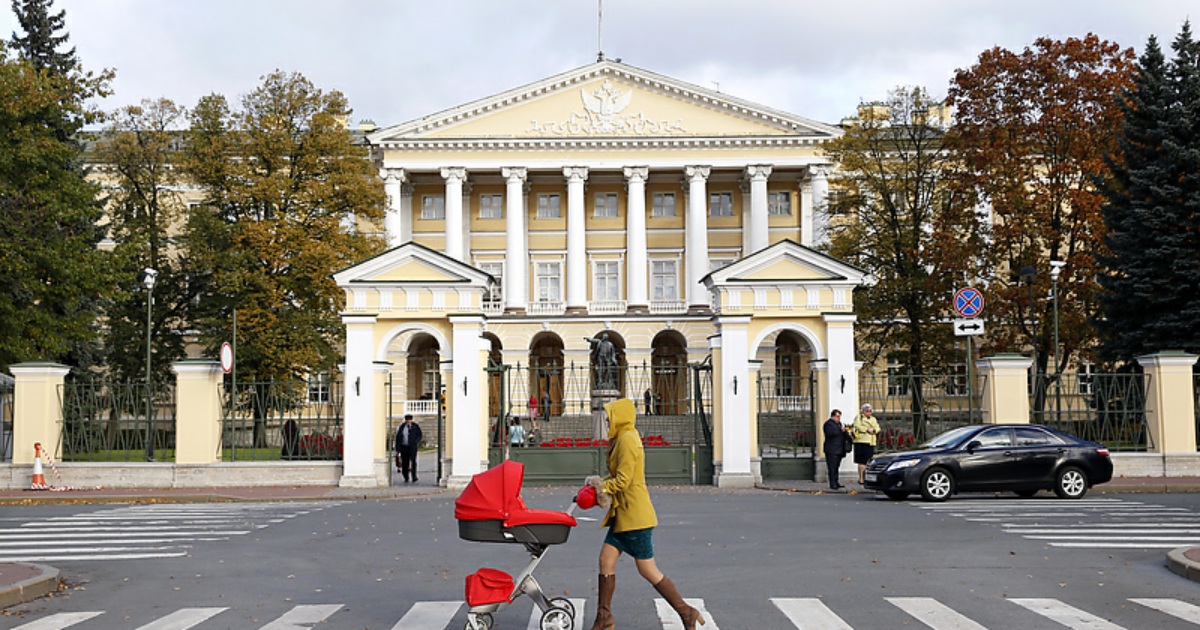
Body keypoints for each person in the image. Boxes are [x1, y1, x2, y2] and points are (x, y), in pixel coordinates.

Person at [584, 398, 704, 630]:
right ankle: (604, 617)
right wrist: (597, 486)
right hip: (624, 516)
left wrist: (599, 489)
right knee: (605, 561)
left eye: (610, 415)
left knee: (648, 570)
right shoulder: (621, 438)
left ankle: (686, 612)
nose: (607, 419)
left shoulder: (628, 440)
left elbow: (624, 481)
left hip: (635, 517)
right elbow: (618, 477)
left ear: (620, 416)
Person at [851, 403, 880, 485]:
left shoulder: (873, 419)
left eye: (870, 411)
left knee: (869, 461)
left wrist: (874, 430)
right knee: (862, 461)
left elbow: (878, 427)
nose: (869, 413)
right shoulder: (859, 418)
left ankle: (868, 478)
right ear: (863, 411)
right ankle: (861, 479)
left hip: (871, 441)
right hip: (861, 441)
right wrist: (867, 429)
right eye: (867, 411)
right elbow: (857, 426)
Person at [822, 409, 849, 490]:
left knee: (836, 467)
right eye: (837, 416)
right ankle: (832, 483)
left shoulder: (839, 424)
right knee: (832, 467)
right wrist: (840, 431)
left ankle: (836, 482)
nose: (838, 418)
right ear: (833, 416)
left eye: (839, 417)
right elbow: (830, 434)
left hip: (839, 449)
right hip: (831, 449)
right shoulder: (828, 424)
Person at [394, 414, 423, 483]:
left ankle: (414, 476)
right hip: (404, 447)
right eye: (407, 420)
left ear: (411, 420)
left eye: (409, 420)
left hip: (412, 446)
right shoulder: (402, 427)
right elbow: (398, 437)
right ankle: (406, 477)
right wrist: (397, 447)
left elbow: (419, 435)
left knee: (413, 461)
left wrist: (416, 442)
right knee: (405, 463)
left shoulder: (415, 426)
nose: (408, 421)